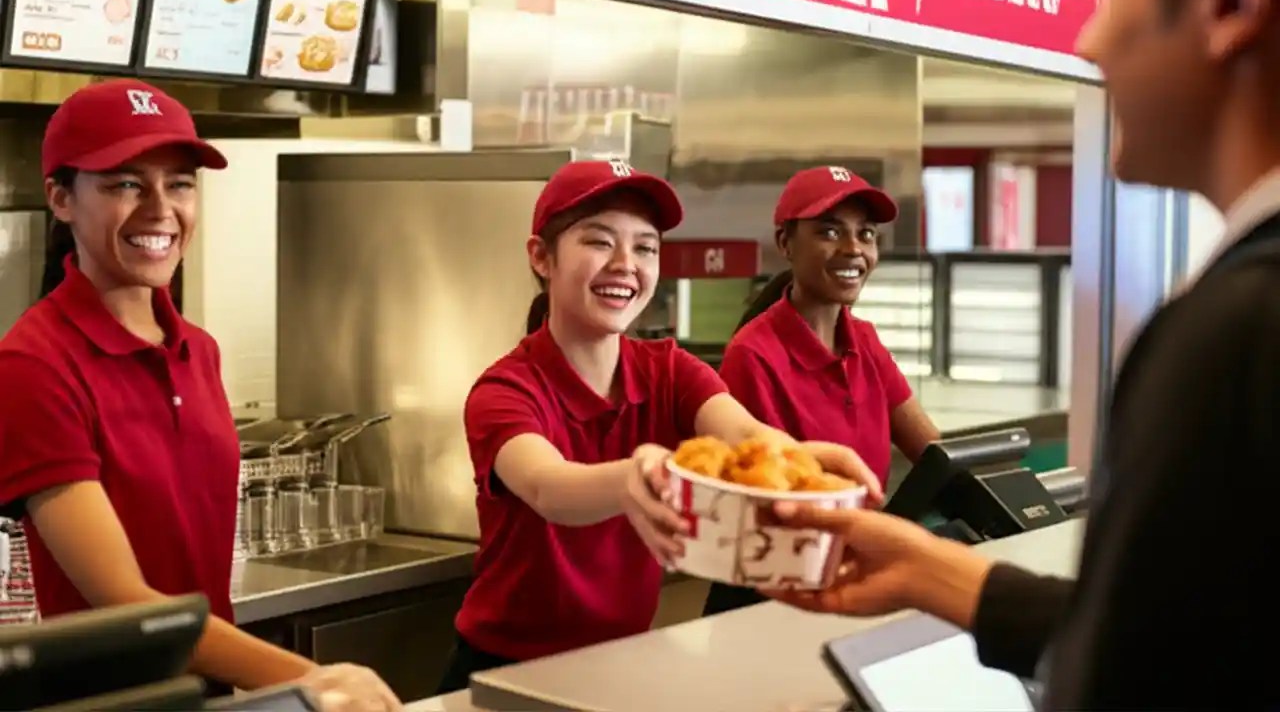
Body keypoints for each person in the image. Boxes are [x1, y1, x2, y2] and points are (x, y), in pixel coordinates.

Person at [765, 0, 1280, 708]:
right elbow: (1188, 642)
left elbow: (1144, 676)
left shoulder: (1235, 328)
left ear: (1230, 8)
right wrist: (936, 573)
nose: (1087, 44)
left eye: (1113, 3)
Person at [0, 79, 400, 712]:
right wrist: (308, 675)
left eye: (180, 183)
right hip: (104, 704)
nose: (160, 209)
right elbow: (126, 603)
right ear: (61, 198)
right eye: (124, 183)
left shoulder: (198, 351)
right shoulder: (33, 364)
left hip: (202, 694)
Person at [436, 159, 885, 694]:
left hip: (623, 661)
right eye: (599, 242)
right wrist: (634, 477)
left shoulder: (670, 370)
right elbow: (547, 486)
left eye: (645, 247)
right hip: (503, 674)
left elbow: (744, 435)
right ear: (541, 257)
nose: (626, 264)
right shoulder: (506, 391)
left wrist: (800, 462)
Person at [701, 167, 941, 616]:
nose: (854, 250)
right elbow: (764, 501)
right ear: (786, 243)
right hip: (776, 595)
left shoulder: (865, 341)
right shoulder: (753, 354)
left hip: (854, 575)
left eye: (865, 234)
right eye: (829, 232)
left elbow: (935, 454)